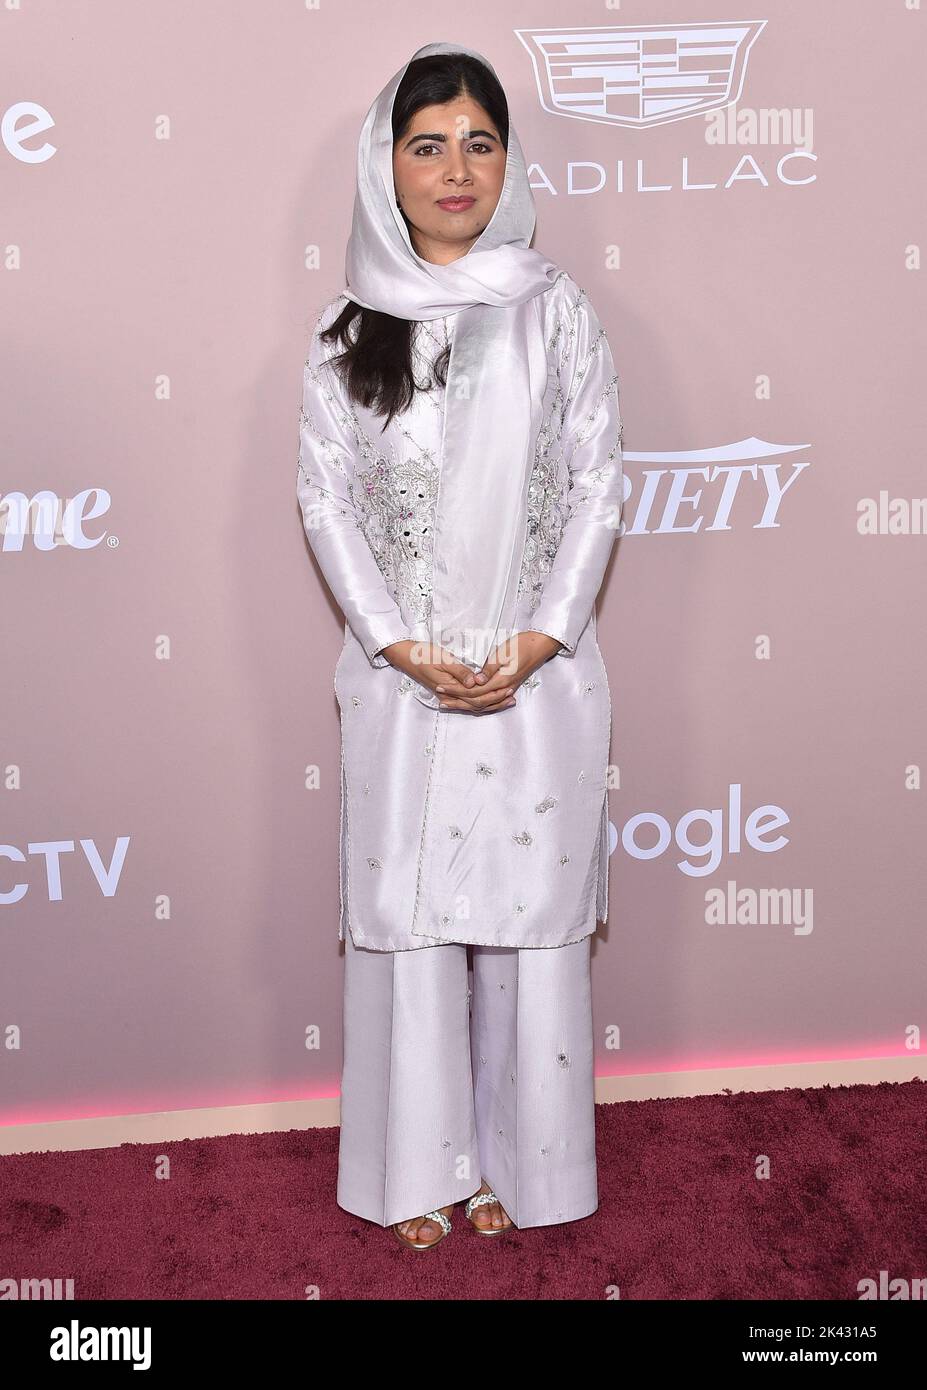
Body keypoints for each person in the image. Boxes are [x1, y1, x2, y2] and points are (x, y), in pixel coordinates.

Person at [297, 41, 623, 1249]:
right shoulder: (349, 330)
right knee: (417, 920)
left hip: (539, 674)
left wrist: (541, 636)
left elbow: (598, 481)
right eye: (427, 144)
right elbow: (325, 498)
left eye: (478, 143)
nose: (454, 169)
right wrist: (396, 644)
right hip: (406, 684)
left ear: (507, 163)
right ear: (388, 167)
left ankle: (521, 1171)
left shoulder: (555, 310)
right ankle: (419, 1172)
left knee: (530, 927)